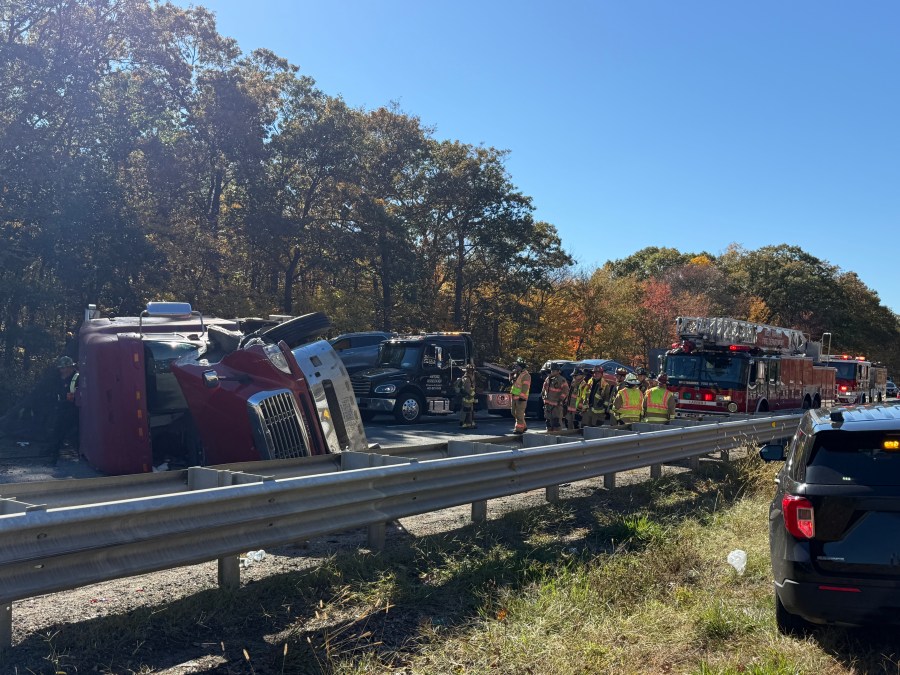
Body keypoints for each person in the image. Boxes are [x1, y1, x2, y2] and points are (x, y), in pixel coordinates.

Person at [49, 355, 79, 465]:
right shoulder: (59, 378)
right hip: (61, 407)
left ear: (71, 367)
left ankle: (78, 454)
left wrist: (75, 396)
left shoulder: (77, 377)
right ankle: (55, 454)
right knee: (57, 430)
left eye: (65, 368)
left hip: (73, 409)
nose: (63, 370)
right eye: (61, 368)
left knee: (73, 432)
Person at [541, 363, 569, 433]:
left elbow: (565, 391)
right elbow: (544, 390)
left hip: (556, 405)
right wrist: (543, 398)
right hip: (547, 405)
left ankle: (557, 436)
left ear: (558, 371)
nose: (552, 372)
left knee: (556, 422)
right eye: (551, 370)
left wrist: (560, 400)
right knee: (548, 422)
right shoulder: (548, 379)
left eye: (554, 370)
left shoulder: (561, 380)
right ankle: (549, 435)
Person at [509, 357, 531, 434]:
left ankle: (519, 429)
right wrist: (511, 376)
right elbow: (512, 383)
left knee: (519, 414)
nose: (516, 367)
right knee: (513, 412)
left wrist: (522, 397)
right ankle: (524, 426)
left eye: (517, 366)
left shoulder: (526, 375)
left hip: (521, 398)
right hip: (514, 397)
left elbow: (525, 387)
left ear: (521, 366)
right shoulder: (517, 374)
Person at [455, 363, 478, 429]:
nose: (473, 372)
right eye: (472, 370)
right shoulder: (467, 379)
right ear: (470, 370)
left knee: (469, 411)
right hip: (468, 397)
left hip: (469, 398)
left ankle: (469, 423)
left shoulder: (470, 377)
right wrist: (473, 394)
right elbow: (467, 390)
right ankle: (466, 424)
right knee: (467, 411)